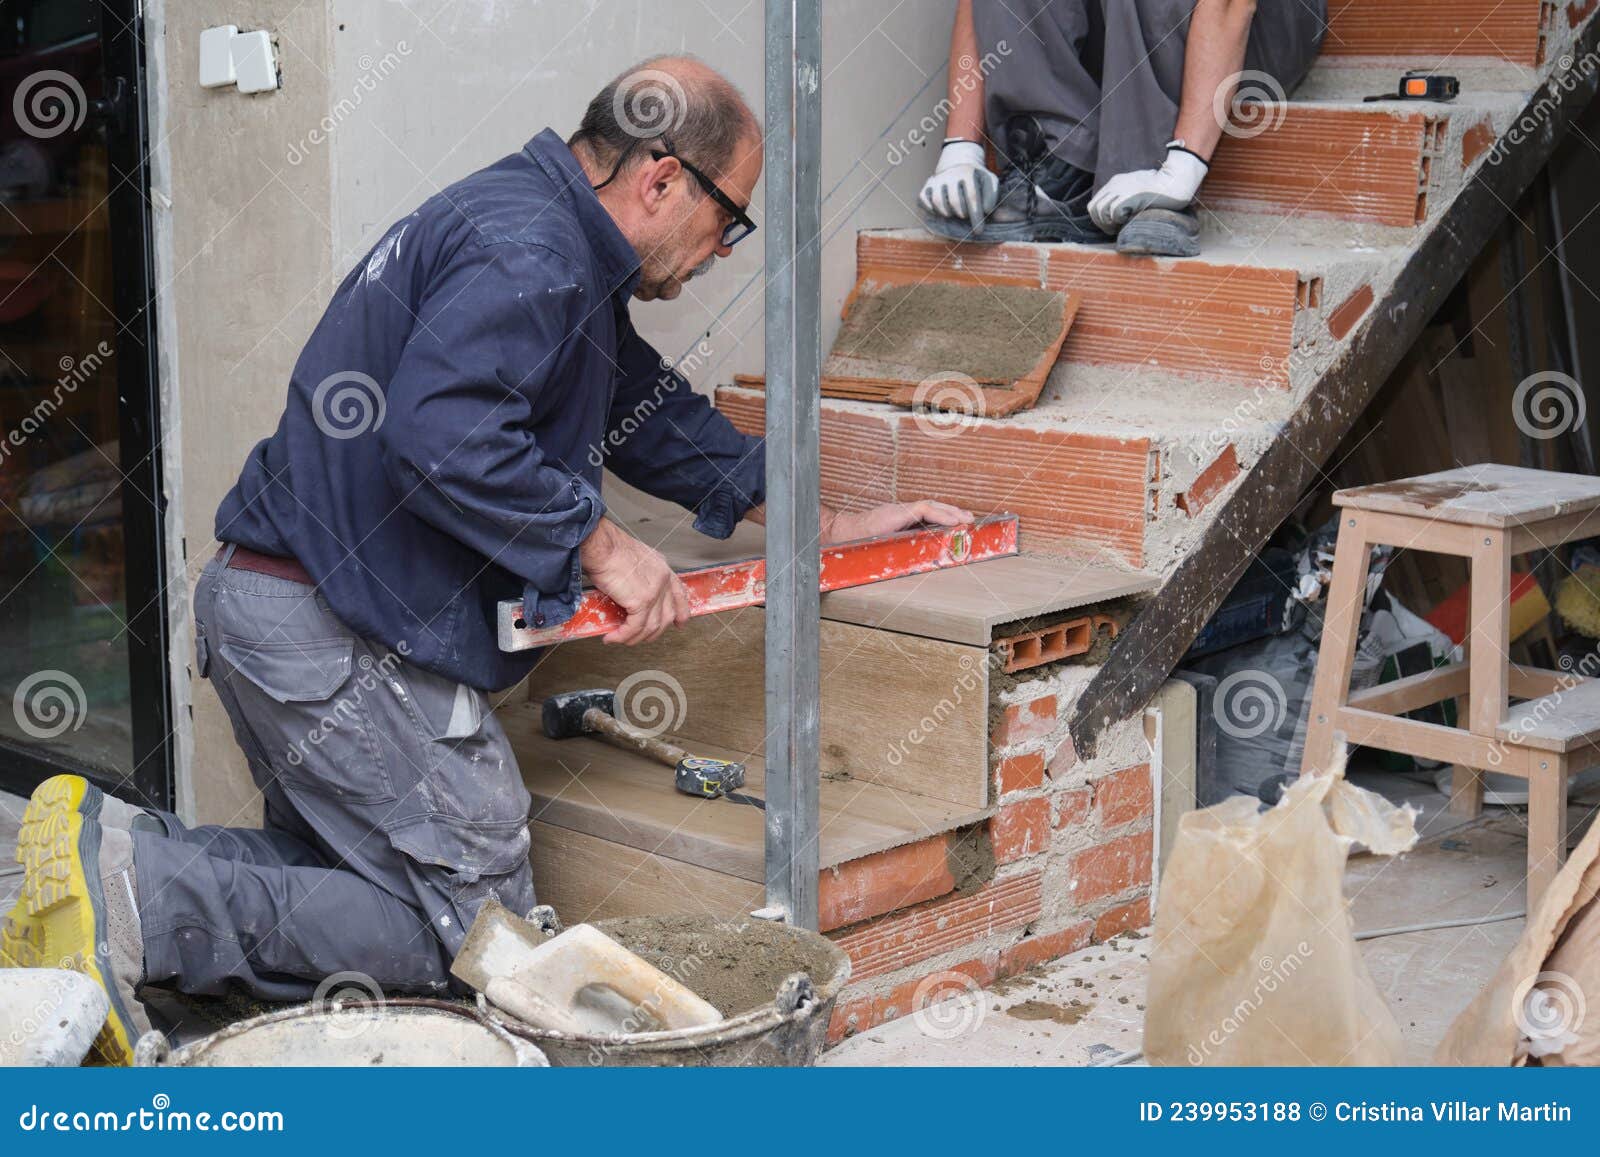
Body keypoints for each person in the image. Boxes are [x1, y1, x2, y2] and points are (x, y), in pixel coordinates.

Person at [0, 55, 971, 1064]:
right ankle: (142, 899)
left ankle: (113, 866)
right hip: (327, 629)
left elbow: (653, 420)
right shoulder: (531, 248)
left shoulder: (545, 244)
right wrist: (599, 543)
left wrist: (819, 521)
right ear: (662, 179)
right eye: (730, 219)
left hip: (287, 607)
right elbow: (444, 429)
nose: (724, 250)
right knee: (479, 944)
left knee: (367, 890)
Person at [919, 0, 1326, 255]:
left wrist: (1183, 166)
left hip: (1255, 30)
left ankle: (1148, 169)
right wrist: (961, 148)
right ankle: (1057, 169)